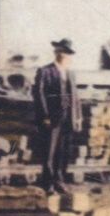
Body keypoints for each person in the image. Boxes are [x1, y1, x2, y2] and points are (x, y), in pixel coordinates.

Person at [32, 38, 84, 194]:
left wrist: (78, 117)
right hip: (52, 119)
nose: (65, 55)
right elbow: (39, 95)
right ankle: (47, 183)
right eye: (62, 52)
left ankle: (59, 180)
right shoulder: (45, 71)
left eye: (68, 53)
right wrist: (45, 116)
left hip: (68, 118)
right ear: (56, 52)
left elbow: (75, 97)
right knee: (49, 151)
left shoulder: (70, 73)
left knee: (63, 151)